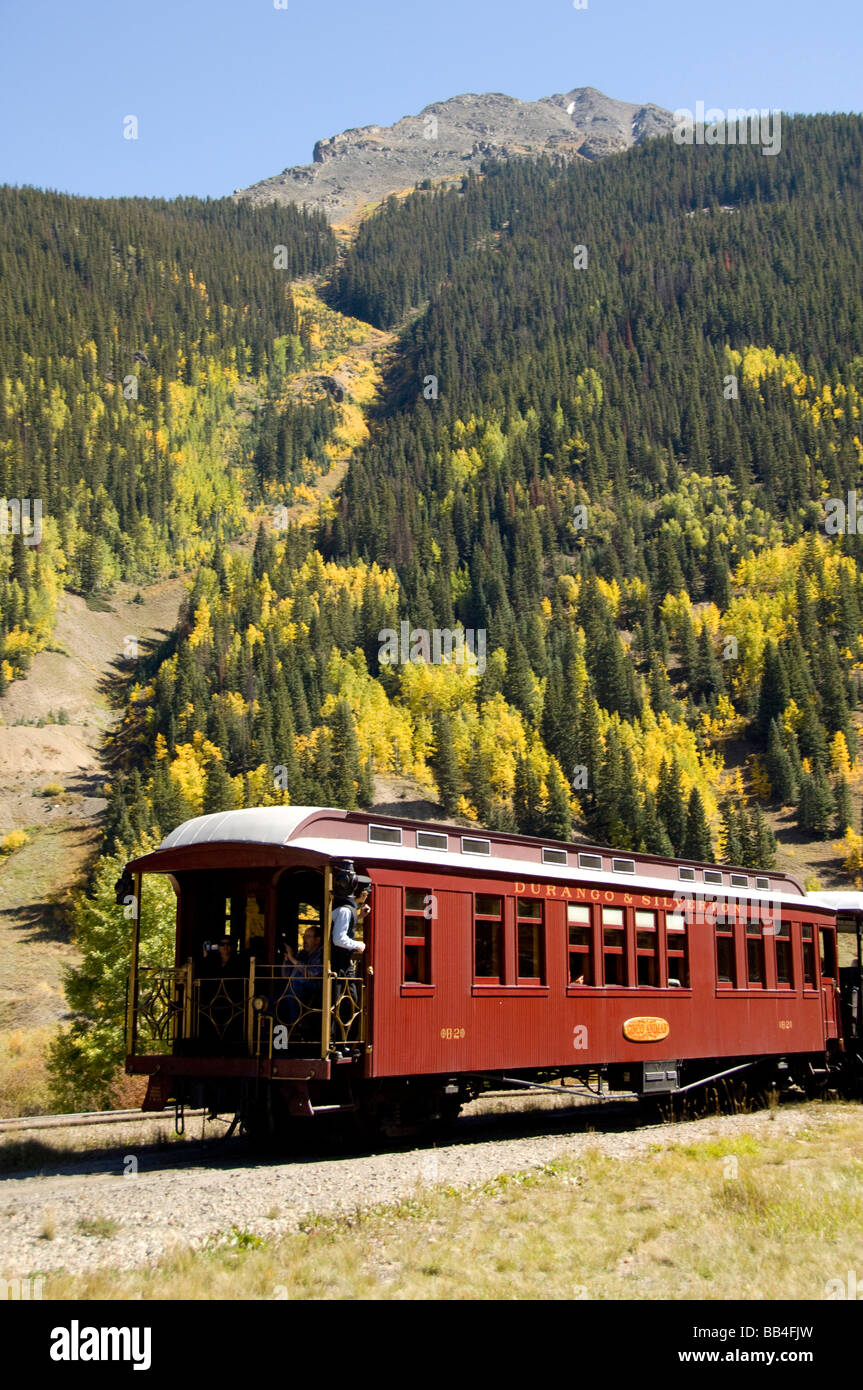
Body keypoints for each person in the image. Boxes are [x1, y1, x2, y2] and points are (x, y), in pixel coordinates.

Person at [330, 866, 370, 1053]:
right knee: (342, 1002)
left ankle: (341, 1043)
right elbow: (339, 938)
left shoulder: (346, 908)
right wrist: (358, 945)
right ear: (362, 893)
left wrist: (360, 915)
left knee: (346, 1001)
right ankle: (336, 1043)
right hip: (341, 964)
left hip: (341, 963)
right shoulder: (346, 910)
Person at [277, 925, 323, 1032]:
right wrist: (287, 959)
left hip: (314, 988)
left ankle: (295, 1025)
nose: (304, 940)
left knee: (295, 982)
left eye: (308, 936)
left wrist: (293, 959)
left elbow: (312, 974)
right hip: (293, 991)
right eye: (304, 936)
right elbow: (285, 975)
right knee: (267, 1003)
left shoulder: (321, 954)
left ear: (317, 940)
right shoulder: (302, 954)